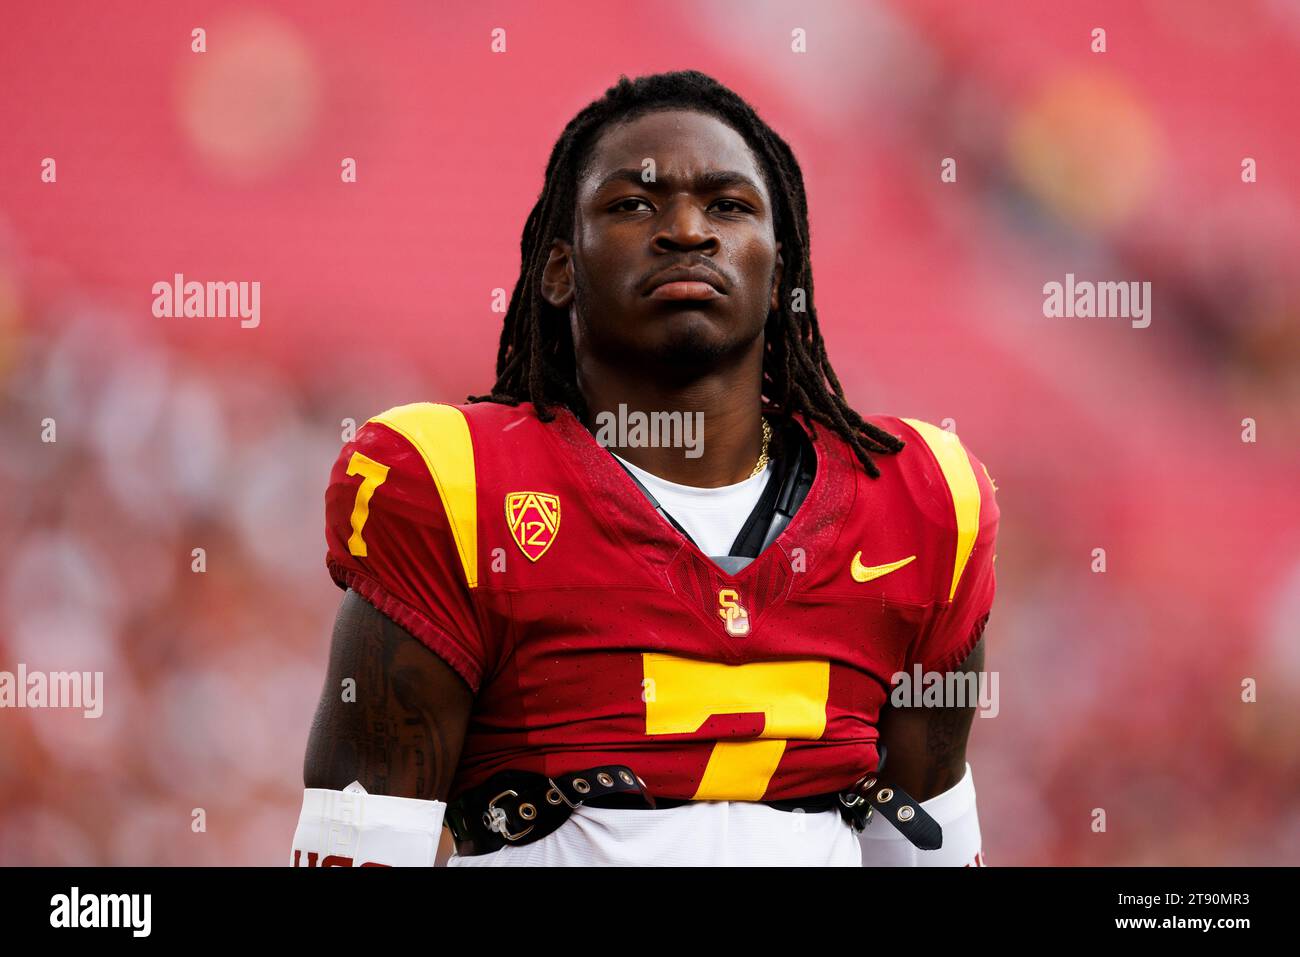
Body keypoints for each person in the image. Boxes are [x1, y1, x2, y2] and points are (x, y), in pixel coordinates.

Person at [291, 70, 997, 867]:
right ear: (559, 269)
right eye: (634, 204)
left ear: (780, 275)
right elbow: (363, 839)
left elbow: (925, 842)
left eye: (729, 205)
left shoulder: (919, 499)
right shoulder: (456, 485)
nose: (688, 230)